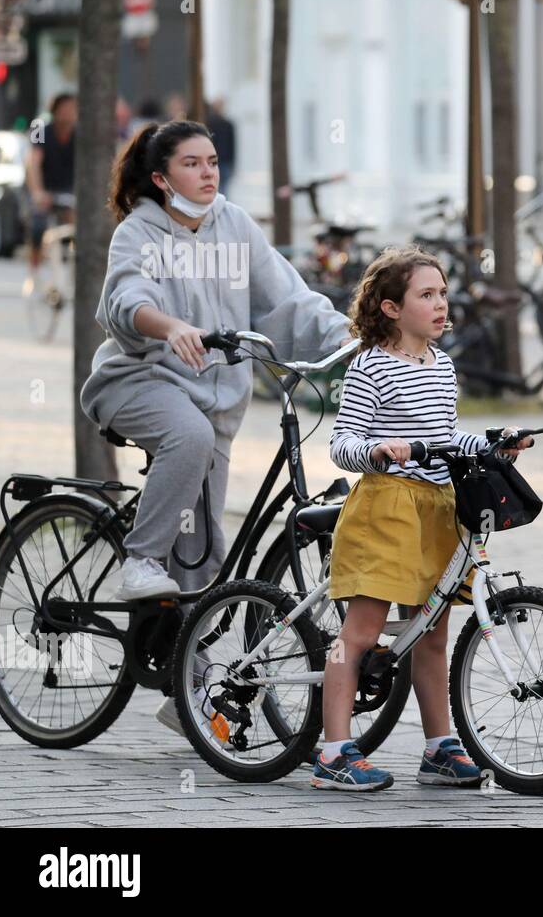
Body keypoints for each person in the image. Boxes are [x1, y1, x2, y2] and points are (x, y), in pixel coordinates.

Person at [80, 120, 354, 732]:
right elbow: (125, 300)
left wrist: (349, 335)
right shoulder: (140, 231)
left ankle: (183, 690)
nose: (208, 172)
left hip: (215, 398)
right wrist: (170, 325)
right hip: (138, 381)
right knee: (189, 441)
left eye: (213, 161)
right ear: (160, 177)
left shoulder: (233, 223)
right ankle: (139, 557)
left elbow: (287, 297)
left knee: (203, 557)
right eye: (192, 164)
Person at [311, 246, 534, 790]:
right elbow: (343, 444)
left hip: (439, 509)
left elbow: (443, 436)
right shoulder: (370, 365)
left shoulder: (442, 364)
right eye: (426, 295)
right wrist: (380, 450)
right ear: (390, 308)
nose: (441, 305)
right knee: (360, 631)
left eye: (442, 294)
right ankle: (334, 750)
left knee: (432, 633)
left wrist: (492, 444)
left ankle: (439, 747)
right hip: (387, 508)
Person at [25, 93, 77, 279]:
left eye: (72, 109)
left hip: (69, 191)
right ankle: (34, 269)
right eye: (64, 109)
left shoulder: (80, 134)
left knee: (78, 226)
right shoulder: (39, 128)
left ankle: (75, 270)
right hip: (44, 189)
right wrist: (38, 192)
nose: (68, 114)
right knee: (38, 226)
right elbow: (33, 162)